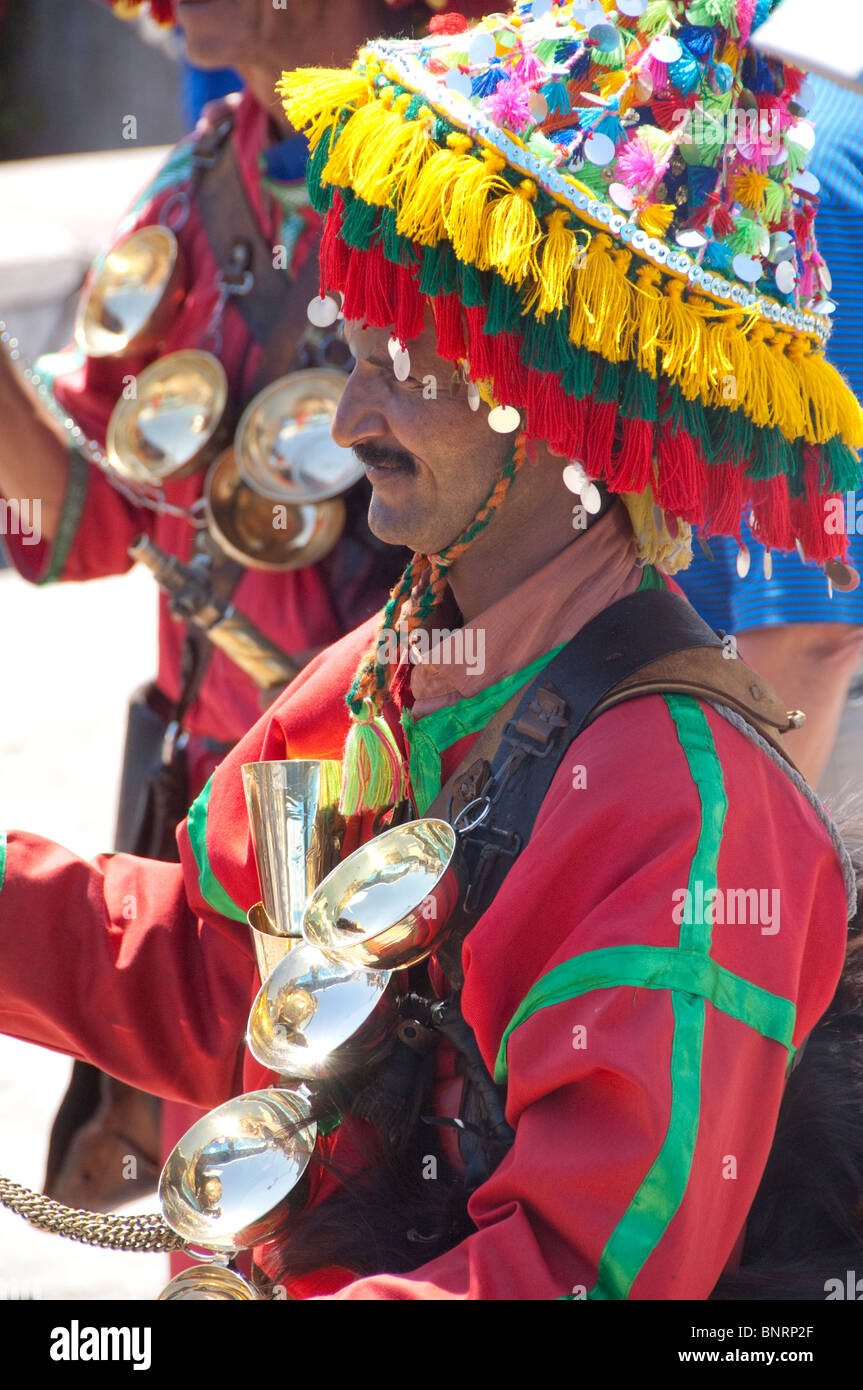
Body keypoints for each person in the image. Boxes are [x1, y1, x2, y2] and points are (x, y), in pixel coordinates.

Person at [1, 0, 861, 1299]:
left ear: (562, 382)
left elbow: (561, 1271)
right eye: (351, 352)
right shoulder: (387, 674)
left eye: (406, 364)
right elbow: (211, 968)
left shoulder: (690, 819)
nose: (347, 418)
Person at [0, 0, 482, 1211]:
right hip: (225, 837)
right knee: (223, 1242)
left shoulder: (477, 181)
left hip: (432, 834)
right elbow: (88, 523)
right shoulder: (202, 182)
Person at [677, 72, 863, 794]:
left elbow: (810, 622)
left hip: (791, 724)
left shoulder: (800, 157)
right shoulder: (759, 115)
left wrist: (725, 886)